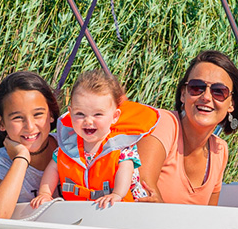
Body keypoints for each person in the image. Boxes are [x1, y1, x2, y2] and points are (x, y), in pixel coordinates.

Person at [135, 50, 238, 206]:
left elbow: (209, 218)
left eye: (219, 92)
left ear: (231, 104)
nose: (206, 97)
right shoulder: (164, 124)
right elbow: (142, 191)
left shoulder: (220, 150)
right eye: (197, 87)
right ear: (183, 94)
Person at [32, 69, 159, 210]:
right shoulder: (67, 148)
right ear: (70, 111)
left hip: (122, 209)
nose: (88, 121)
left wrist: (117, 194)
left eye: (98, 114)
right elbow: (52, 169)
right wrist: (45, 193)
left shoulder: (121, 149)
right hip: (85, 211)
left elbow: (126, 170)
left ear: (115, 116)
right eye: (80, 114)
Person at [0, 70, 60, 219]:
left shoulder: (70, 145)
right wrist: (21, 158)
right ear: (1, 123)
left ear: (51, 115)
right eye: (18, 118)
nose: (30, 126)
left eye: (38, 114)